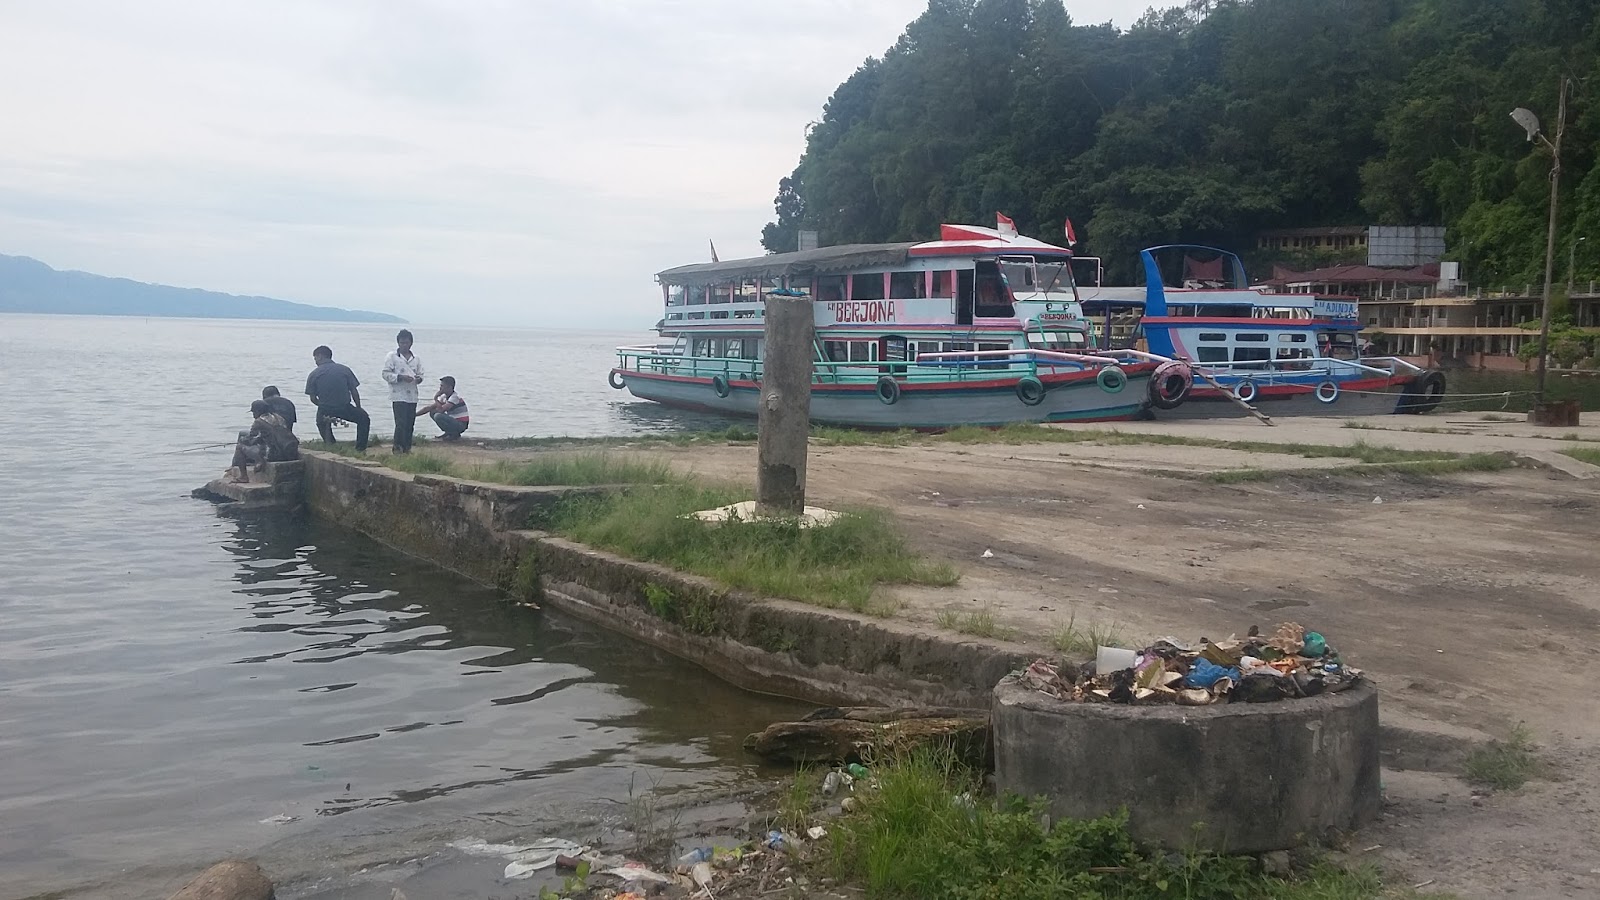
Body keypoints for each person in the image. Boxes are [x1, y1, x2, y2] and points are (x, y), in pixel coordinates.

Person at [305, 345, 370, 450]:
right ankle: (360, 449)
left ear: (320, 356)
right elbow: (354, 391)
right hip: (344, 407)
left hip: (325, 408)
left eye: (315, 358)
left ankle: (331, 445)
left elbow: (313, 399)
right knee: (364, 419)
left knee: (320, 422)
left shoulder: (314, 374)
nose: (315, 361)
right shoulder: (345, 370)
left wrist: (322, 405)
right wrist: (358, 407)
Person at [229, 400, 300, 483]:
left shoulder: (258, 422)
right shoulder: (279, 418)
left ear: (258, 411)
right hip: (286, 452)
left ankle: (244, 477)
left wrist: (242, 440)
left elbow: (250, 441)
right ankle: (259, 462)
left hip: (273, 455)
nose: (253, 415)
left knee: (240, 447)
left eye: (253, 412)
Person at [381, 329, 424, 453]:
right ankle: (397, 447)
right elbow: (385, 374)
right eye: (402, 343)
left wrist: (418, 379)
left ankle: (407, 447)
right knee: (400, 423)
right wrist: (400, 377)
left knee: (410, 423)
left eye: (407, 343)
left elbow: (421, 374)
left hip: (412, 395)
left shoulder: (416, 359)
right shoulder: (392, 357)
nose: (404, 345)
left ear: (411, 343)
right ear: (398, 343)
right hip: (398, 395)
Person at [416, 375, 470, 440]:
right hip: (454, 420)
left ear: (449, 387)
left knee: (438, 416)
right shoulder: (444, 397)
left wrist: (435, 398)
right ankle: (449, 432)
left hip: (461, 424)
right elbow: (429, 408)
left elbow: (441, 410)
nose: (440, 388)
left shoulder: (454, 397)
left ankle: (453, 433)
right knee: (432, 412)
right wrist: (414, 415)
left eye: (442, 386)